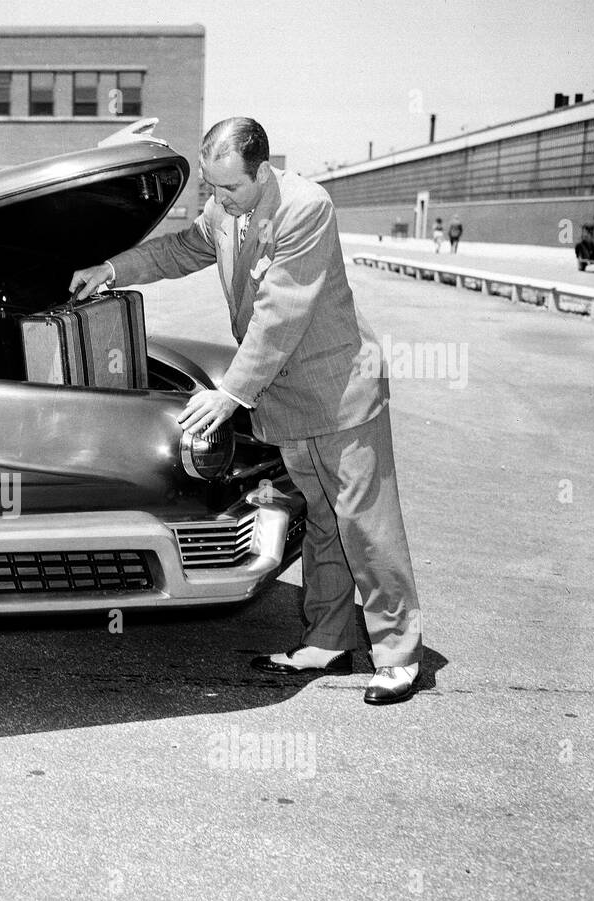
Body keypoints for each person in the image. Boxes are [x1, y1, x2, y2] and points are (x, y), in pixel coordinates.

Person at [69, 117, 423, 705]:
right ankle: (327, 640)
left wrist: (230, 392)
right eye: (209, 188)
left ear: (263, 170)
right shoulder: (224, 211)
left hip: (339, 393)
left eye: (228, 188)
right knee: (324, 520)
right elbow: (180, 251)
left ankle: (398, 656)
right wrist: (112, 269)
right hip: (288, 400)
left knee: (366, 523)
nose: (216, 200)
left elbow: (281, 312)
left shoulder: (306, 208)